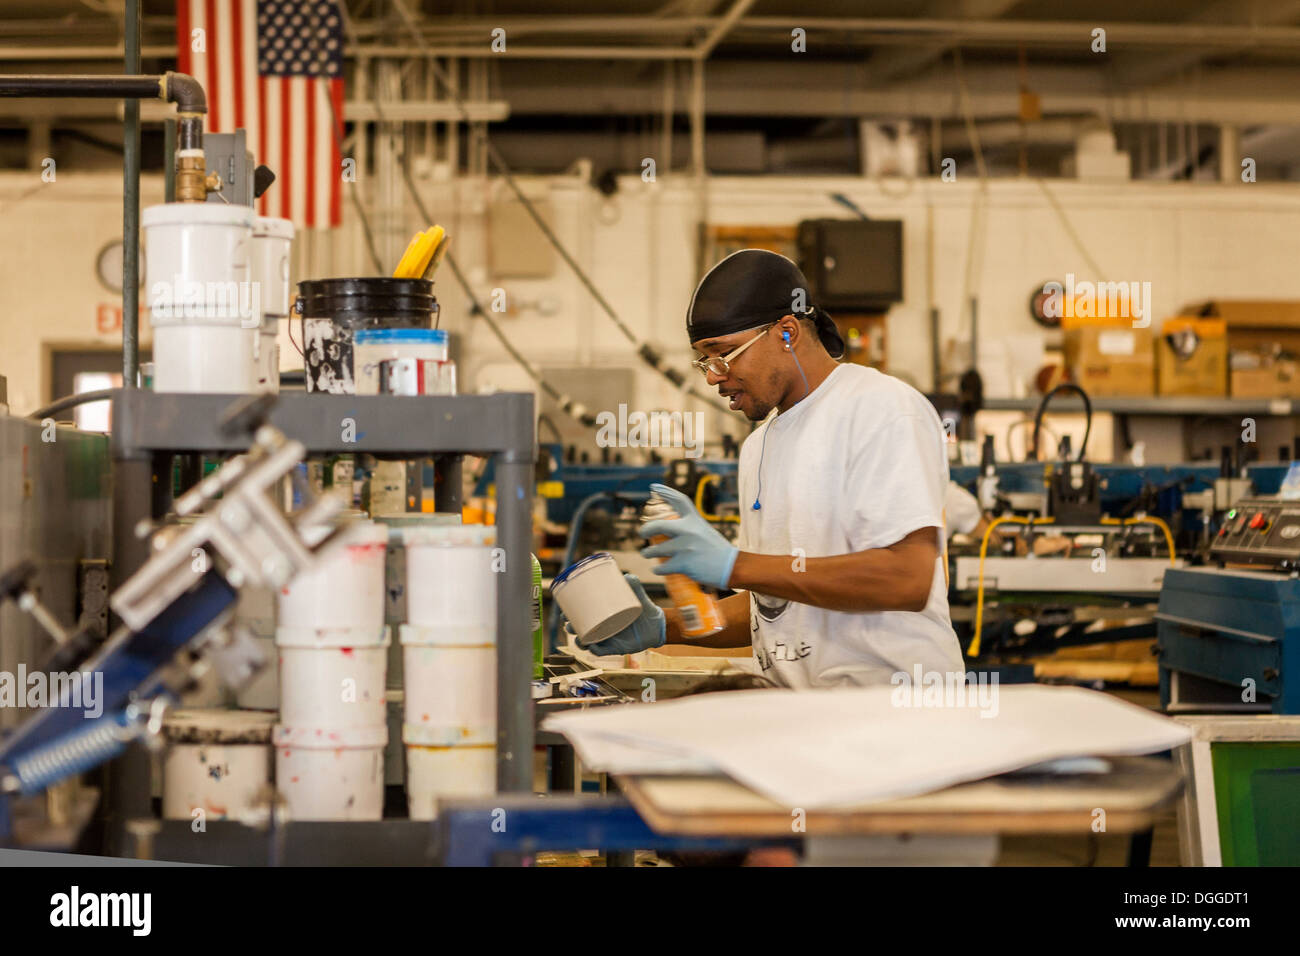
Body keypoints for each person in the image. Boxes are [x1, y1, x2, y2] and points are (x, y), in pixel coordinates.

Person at [581, 249, 964, 688]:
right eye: (704, 359)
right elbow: (777, 607)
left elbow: (907, 578)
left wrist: (733, 565)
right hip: (801, 719)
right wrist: (664, 625)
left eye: (723, 354)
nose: (712, 376)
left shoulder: (881, 409)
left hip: (892, 722)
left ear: (786, 332)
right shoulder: (759, 445)